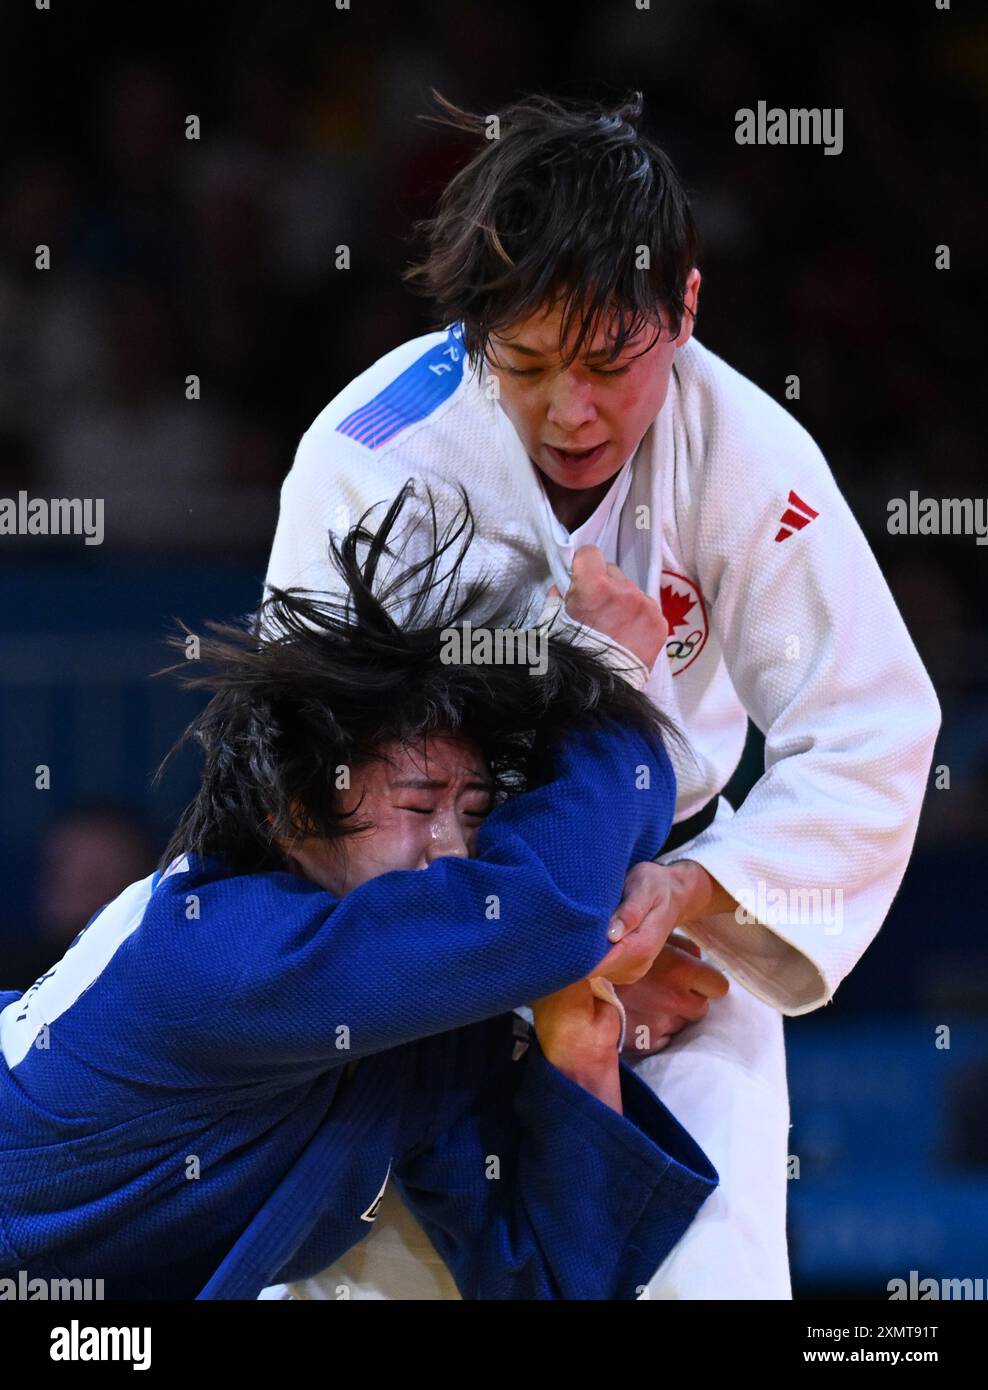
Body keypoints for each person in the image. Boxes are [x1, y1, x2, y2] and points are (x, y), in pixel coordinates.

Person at [262, 90, 942, 1298]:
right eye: (524, 363)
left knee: (705, 1281)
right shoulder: (370, 458)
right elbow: (313, 783)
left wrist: (696, 894)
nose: (569, 410)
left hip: (667, 935)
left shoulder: (748, 455)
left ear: (683, 310)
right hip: (424, 937)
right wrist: (551, 957)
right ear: (472, 328)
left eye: (607, 364)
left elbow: (872, 726)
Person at [0, 488, 717, 1301]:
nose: (454, 849)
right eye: (418, 806)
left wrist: (579, 1049)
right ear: (296, 816)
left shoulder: (405, 1023)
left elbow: (544, 1283)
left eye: (476, 813)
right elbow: (541, 911)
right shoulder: (218, 951)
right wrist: (609, 687)